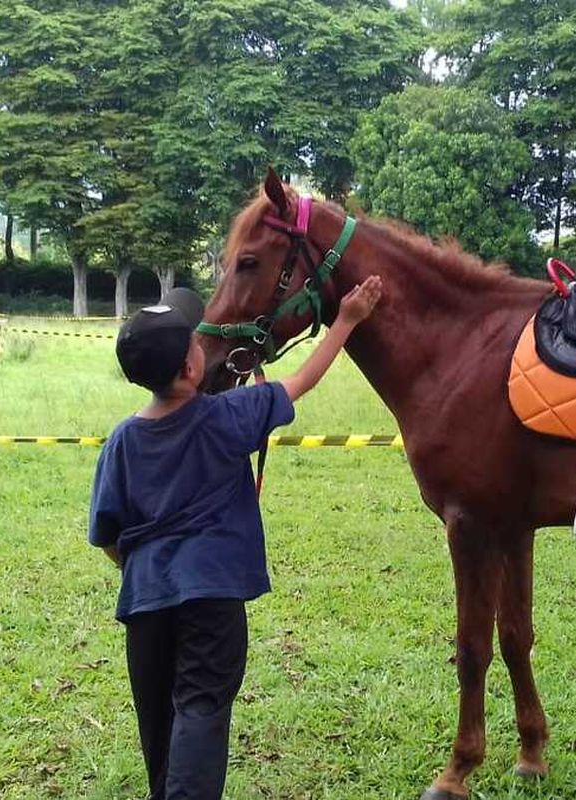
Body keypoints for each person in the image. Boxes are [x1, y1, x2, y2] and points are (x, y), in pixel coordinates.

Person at [89, 276, 382, 799]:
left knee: (157, 719)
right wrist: (347, 320)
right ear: (190, 367)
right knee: (200, 710)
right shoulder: (229, 416)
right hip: (212, 600)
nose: (205, 345)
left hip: (145, 602)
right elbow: (303, 379)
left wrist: (142, 570)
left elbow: (108, 535)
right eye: (197, 343)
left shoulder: (122, 441)